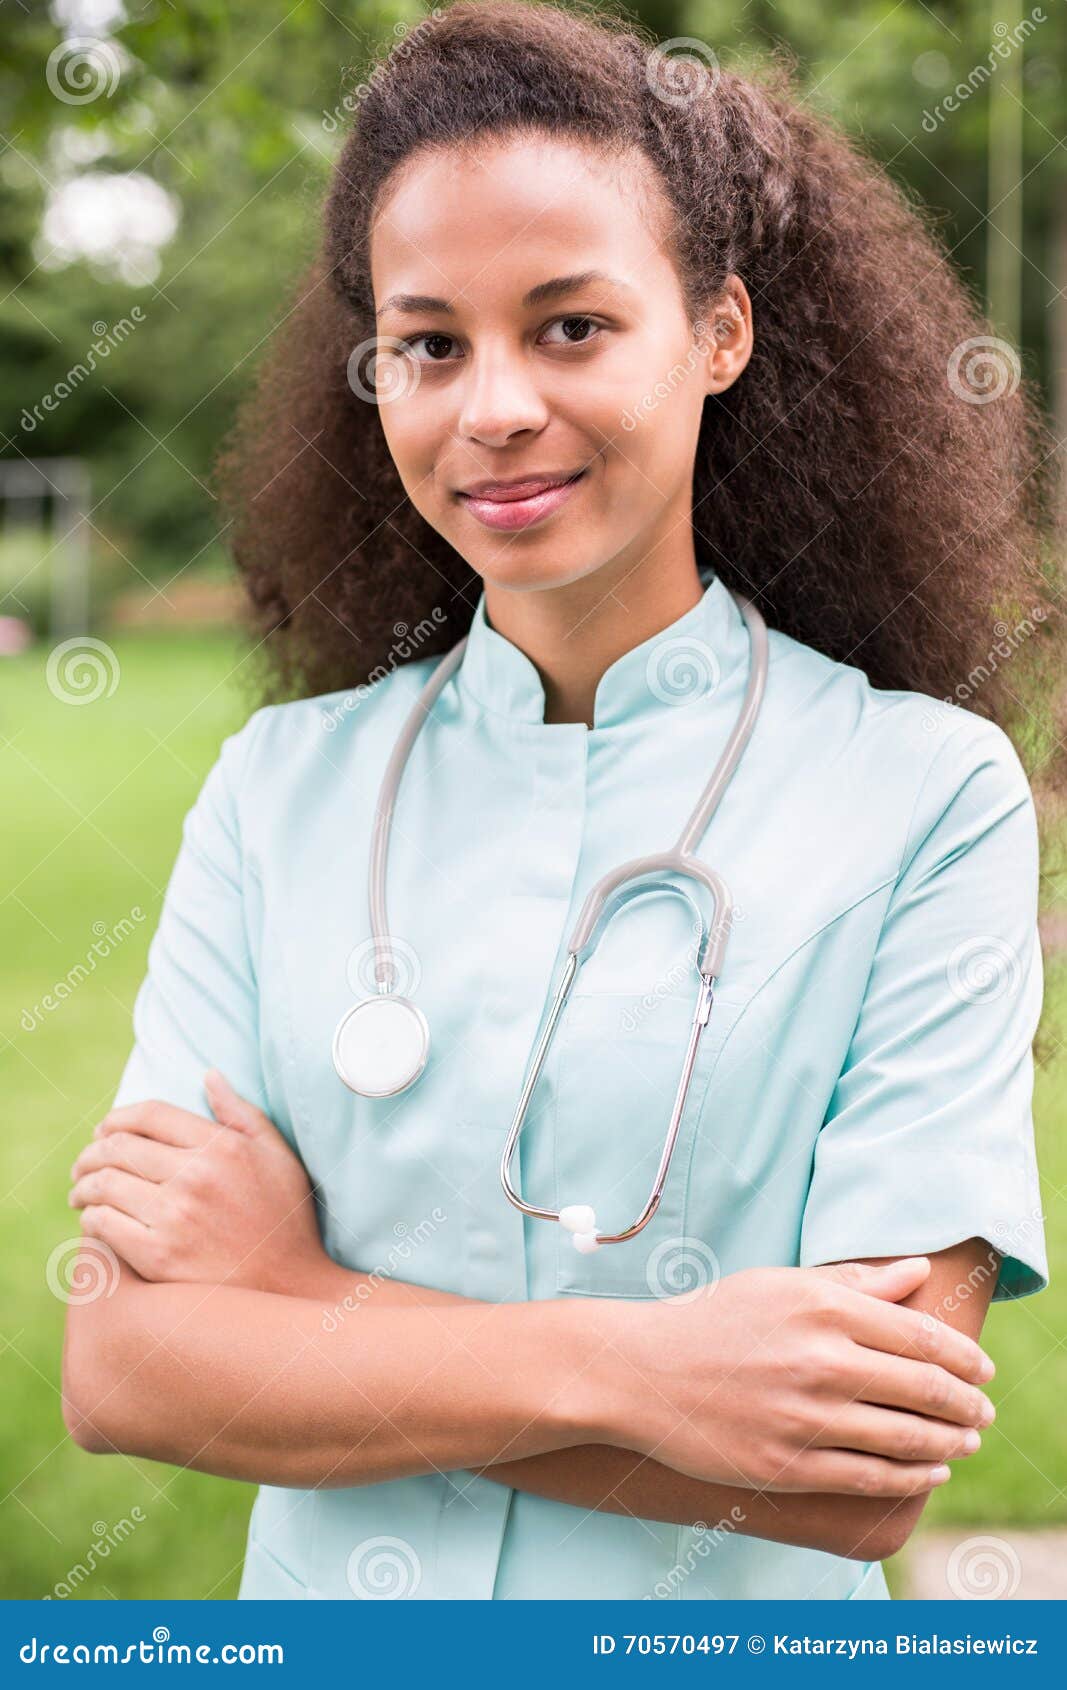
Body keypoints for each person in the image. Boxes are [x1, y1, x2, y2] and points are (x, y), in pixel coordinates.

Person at [63, 0, 1059, 1602]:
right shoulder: (279, 793)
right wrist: (648, 1371)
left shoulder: (928, 795)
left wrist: (302, 1305)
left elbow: (864, 1471)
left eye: (571, 325)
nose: (493, 408)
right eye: (430, 343)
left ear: (719, 332)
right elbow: (127, 1370)